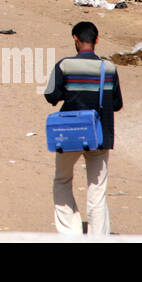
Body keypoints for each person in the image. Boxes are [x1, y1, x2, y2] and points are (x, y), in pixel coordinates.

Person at [45, 21, 122, 236]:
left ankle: (70, 233)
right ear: (97, 41)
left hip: (69, 135)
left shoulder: (64, 65)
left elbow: (50, 95)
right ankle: (98, 236)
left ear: (75, 40)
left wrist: (71, 93)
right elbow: (116, 104)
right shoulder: (109, 68)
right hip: (100, 136)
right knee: (97, 189)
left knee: (62, 180)